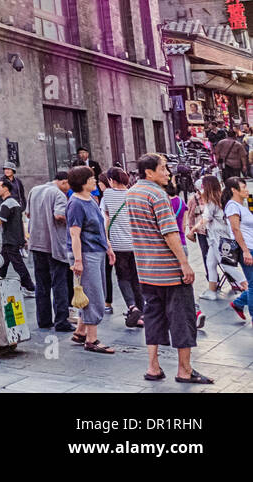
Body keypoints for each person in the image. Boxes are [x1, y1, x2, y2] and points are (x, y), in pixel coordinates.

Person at [128, 153, 210, 384]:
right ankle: (184, 370)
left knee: (153, 316)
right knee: (182, 319)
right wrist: (185, 264)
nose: (167, 173)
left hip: (146, 269)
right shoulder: (158, 195)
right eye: (163, 168)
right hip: (170, 271)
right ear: (149, 172)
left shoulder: (132, 193)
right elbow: (170, 233)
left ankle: (153, 367)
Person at [65, 165, 114, 354]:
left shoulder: (90, 199)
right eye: (91, 178)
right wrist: (78, 261)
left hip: (96, 251)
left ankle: (80, 331)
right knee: (94, 295)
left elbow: (100, 227)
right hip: (85, 254)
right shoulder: (76, 203)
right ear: (83, 182)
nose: (95, 181)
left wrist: (108, 247)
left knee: (93, 290)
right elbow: (74, 234)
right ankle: (92, 339)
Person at [27, 170, 74, 331]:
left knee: (41, 284)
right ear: (63, 182)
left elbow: (28, 213)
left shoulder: (35, 190)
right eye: (68, 185)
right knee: (59, 283)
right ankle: (62, 321)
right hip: (53, 245)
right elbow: (59, 216)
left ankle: (44, 319)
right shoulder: (59, 194)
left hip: (36, 242)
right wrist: (73, 222)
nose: (69, 189)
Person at [101, 167, 144, 327]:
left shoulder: (107, 195)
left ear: (111, 180)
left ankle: (132, 307)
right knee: (136, 278)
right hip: (135, 243)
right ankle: (142, 313)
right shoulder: (134, 194)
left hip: (118, 244)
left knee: (123, 277)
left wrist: (107, 243)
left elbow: (106, 219)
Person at [0, 178, 34, 292]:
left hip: (10, 239)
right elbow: (19, 222)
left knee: (18, 264)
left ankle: (30, 287)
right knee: (3, 261)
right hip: (12, 238)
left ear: (6, 189)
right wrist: (23, 237)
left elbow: (0, 221)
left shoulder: (7, 204)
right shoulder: (15, 203)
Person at [223, 177, 253, 321]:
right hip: (245, 249)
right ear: (234, 190)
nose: (247, 190)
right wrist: (246, 251)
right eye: (243, 187)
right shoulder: (232, 206)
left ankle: (239, 303)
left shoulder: (243, 205)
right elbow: (235, 230)